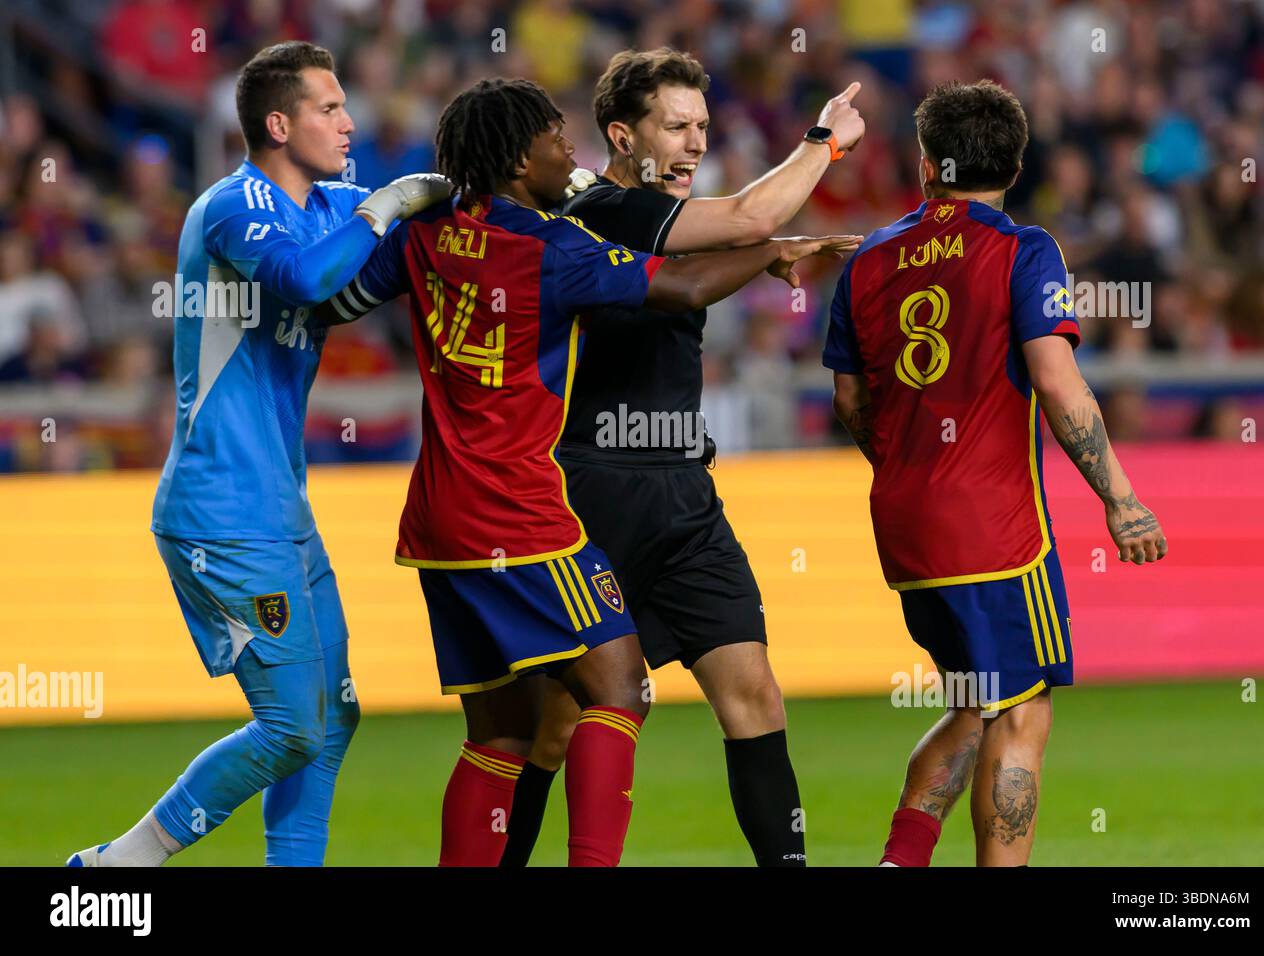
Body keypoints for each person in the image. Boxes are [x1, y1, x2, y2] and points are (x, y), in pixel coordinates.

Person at [319, 76, 860, 866]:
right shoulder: (554, 245)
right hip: (523, 508)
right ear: (516, 157)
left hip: (435, 519)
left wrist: (390, 203)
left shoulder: (424, 234)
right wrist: (772, 250)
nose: (564, 153)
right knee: (618, 687)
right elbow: (678, 284)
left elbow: (336, 299)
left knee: (498, 735)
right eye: (552, 139)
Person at [68, 41, 447, 867]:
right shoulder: (232, 207)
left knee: (334, 716)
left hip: (281, 510)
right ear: (279, 124)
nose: (350, 123)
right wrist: (386, 210)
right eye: (330, 108)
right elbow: (312, 279)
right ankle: (121, 862)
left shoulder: (326, 204)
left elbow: (398, 246)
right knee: (291, 726)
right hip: (221, 511)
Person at [501, 46, 866, 869]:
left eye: (702, 125)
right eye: (676, 126)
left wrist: (762, 253)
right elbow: (743, 221)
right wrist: (823, 143)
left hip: (683, 495)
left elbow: (722, 247)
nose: (696, 142)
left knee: (754, 693)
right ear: (622, 137)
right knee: (554, 726)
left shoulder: (665, 218)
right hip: (594, 495)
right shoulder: (603, 207)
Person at [823, 80, 1168, 866]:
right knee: (1021, 715)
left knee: (979, 703)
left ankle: (898, 859)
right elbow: (1056, 380)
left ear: (925, 165)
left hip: (903, 522)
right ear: (1014, 168)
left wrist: (912, 466)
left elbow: (849, 399)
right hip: (995, 529)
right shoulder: (1023, 249)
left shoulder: (868, 259)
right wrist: (1121, 498)